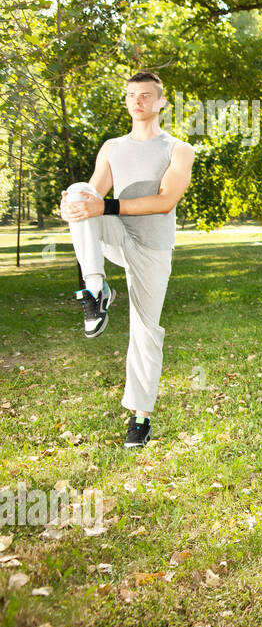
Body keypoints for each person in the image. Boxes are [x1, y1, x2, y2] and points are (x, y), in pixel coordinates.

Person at [60, 70, 195, 447]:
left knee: (145, 330)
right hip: (118, 236)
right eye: (132, 95)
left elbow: (166, 200)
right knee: (77, 192)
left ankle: (140, 417)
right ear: (126, 100)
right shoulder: (112, 147)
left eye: (146, 95)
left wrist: (105, 205)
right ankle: (94, 289)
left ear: (161, 102)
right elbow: (93, 196)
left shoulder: (178, 149)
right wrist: (71, 207)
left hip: (152, 249)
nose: (138, 101)